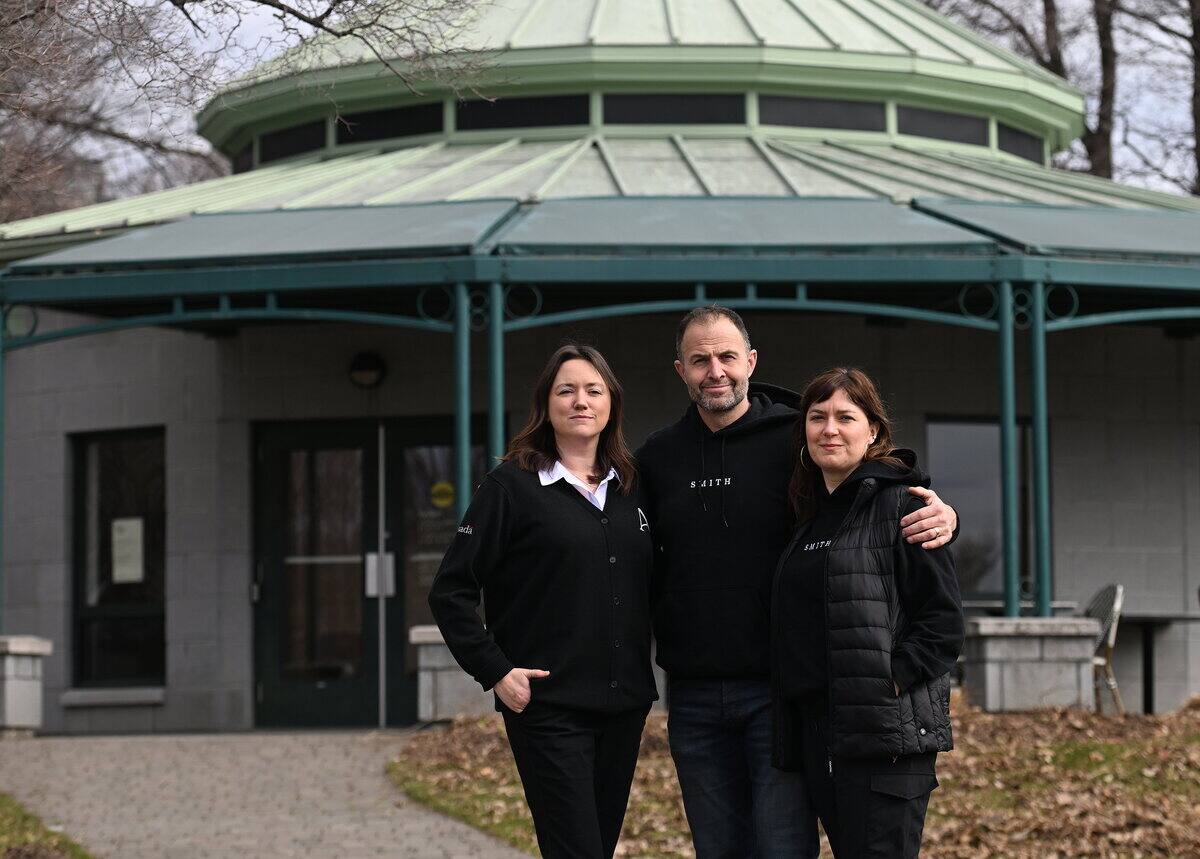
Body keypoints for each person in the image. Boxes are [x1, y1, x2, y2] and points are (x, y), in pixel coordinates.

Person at [635, 306, 956, 858]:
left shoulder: (795, 437)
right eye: (700, 360)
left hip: (778, 692)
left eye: (728, 357)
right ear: (680, 370)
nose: (716, 371)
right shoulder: (657, 458)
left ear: (751, 362)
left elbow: (870, 477)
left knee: (783, 847)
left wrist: (939, 511)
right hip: (691, 693)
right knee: (719, 849)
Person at [428, 343, 657, 859]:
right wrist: (495, 671)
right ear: (546, 404)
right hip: (548, 707)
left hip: (624, 706)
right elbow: (450, 590)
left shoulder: (633, 489)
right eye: (566, 390)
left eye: (593, 390)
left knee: (597, 846)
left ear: (612, 404)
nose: (581, 401)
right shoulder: (510, 487)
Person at [770, 367, 964, 858]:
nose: (829, 429)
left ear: (873, 430)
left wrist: (887, 681)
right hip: (821, 735)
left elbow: (942, 623)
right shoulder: (810, 513)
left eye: (845, 416)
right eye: (817, 417)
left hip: (885, 742)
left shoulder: (904, 504)